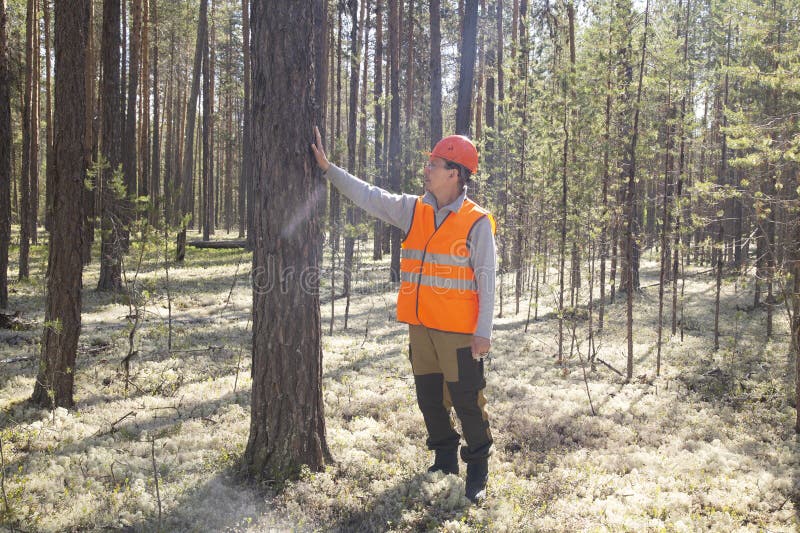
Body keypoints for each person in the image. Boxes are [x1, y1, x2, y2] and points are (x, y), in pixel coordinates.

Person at [311, 127, 496, 504]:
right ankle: (444, 459)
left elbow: (487, 281)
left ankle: (477, 466)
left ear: (455, 173)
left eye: (434, 163)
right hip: (421, 328)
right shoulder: (414, 209)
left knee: (467, 400)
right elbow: (370, 197)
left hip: (459, 333)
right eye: (428, 162)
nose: (426, 169)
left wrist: (483, 332)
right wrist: (330, 170)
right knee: (429, 398)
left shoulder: (476, 222)